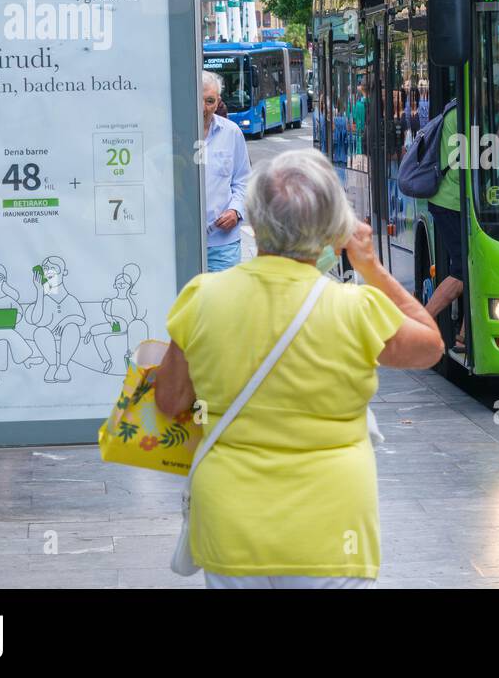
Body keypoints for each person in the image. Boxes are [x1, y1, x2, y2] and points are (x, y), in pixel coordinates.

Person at [155, 148, 442, 589]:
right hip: (330, 529)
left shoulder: (202, 297)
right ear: (332, 228)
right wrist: (370, 266)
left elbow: (170, 400)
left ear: (253, 216)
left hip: (231, 522)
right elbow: (431, 347)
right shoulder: (356, 308)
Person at [424, 99, 465, 357]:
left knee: (473, 269)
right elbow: (477, 162)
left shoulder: (456, 109)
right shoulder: (463, 115)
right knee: (463, 270)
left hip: (452, 202)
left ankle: (463, 337)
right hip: (450, 202)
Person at [201, 70, 251, 271]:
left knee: (223, 301)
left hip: (222, 243)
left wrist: (236, 210)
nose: (203, 108)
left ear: (218, 101)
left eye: (209, 101)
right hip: (182, 243)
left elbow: (243, 180)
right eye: (198, 99)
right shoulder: (172, 133)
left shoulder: (232, 133)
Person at [28, 256, 86, 382]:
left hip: (67, 339)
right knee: (39, 331)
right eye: (46, 268)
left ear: (63, 272)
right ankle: (52, 366)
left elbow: (81, 319)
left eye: (53, 268)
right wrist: (39, 292)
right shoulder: (45, 299)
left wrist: (65, 321)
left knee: (73, 327)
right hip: (48, 341)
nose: (49, 272)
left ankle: (63, 367)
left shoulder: (70, 300)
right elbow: (36, 321)